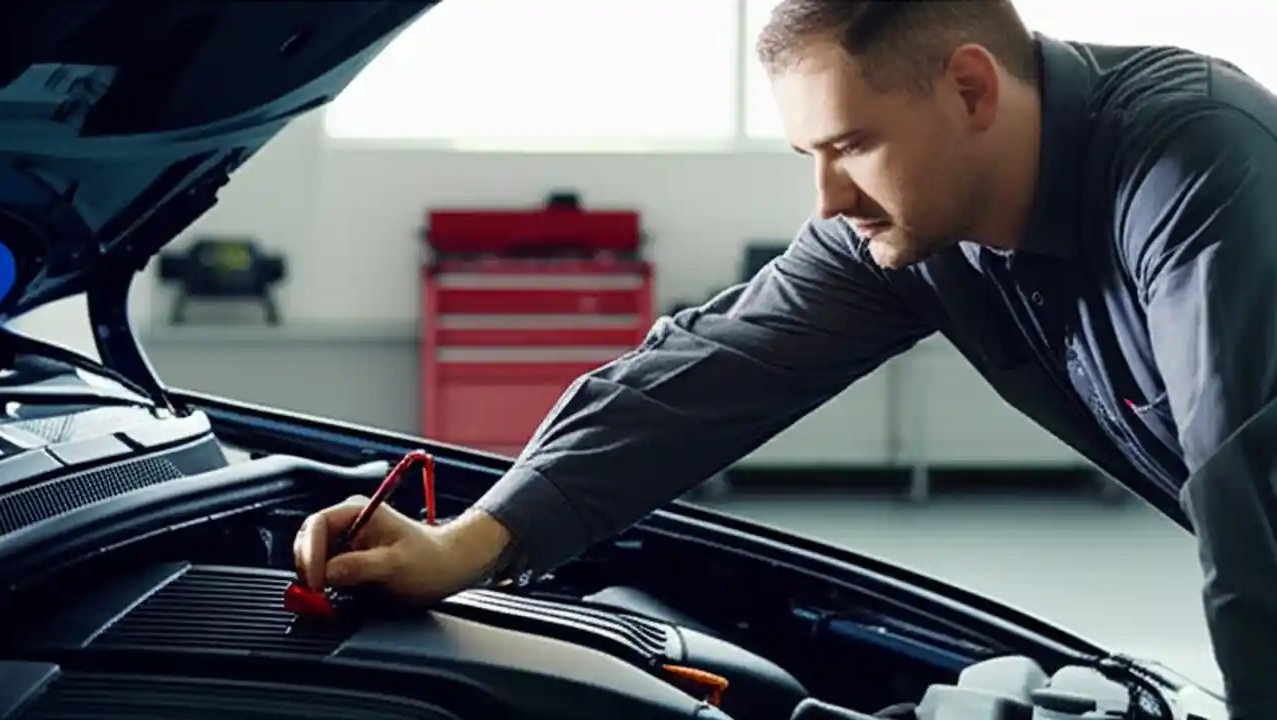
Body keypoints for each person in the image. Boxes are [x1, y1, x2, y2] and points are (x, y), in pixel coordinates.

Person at [294, 1, 1277, 716]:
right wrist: (460, 545)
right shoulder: (913, 234)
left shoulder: (1194, 165)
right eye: (808, 154)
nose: (825, 200)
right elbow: (707, 370)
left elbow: (1255, 497)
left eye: (850, 145)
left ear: (969, 88)